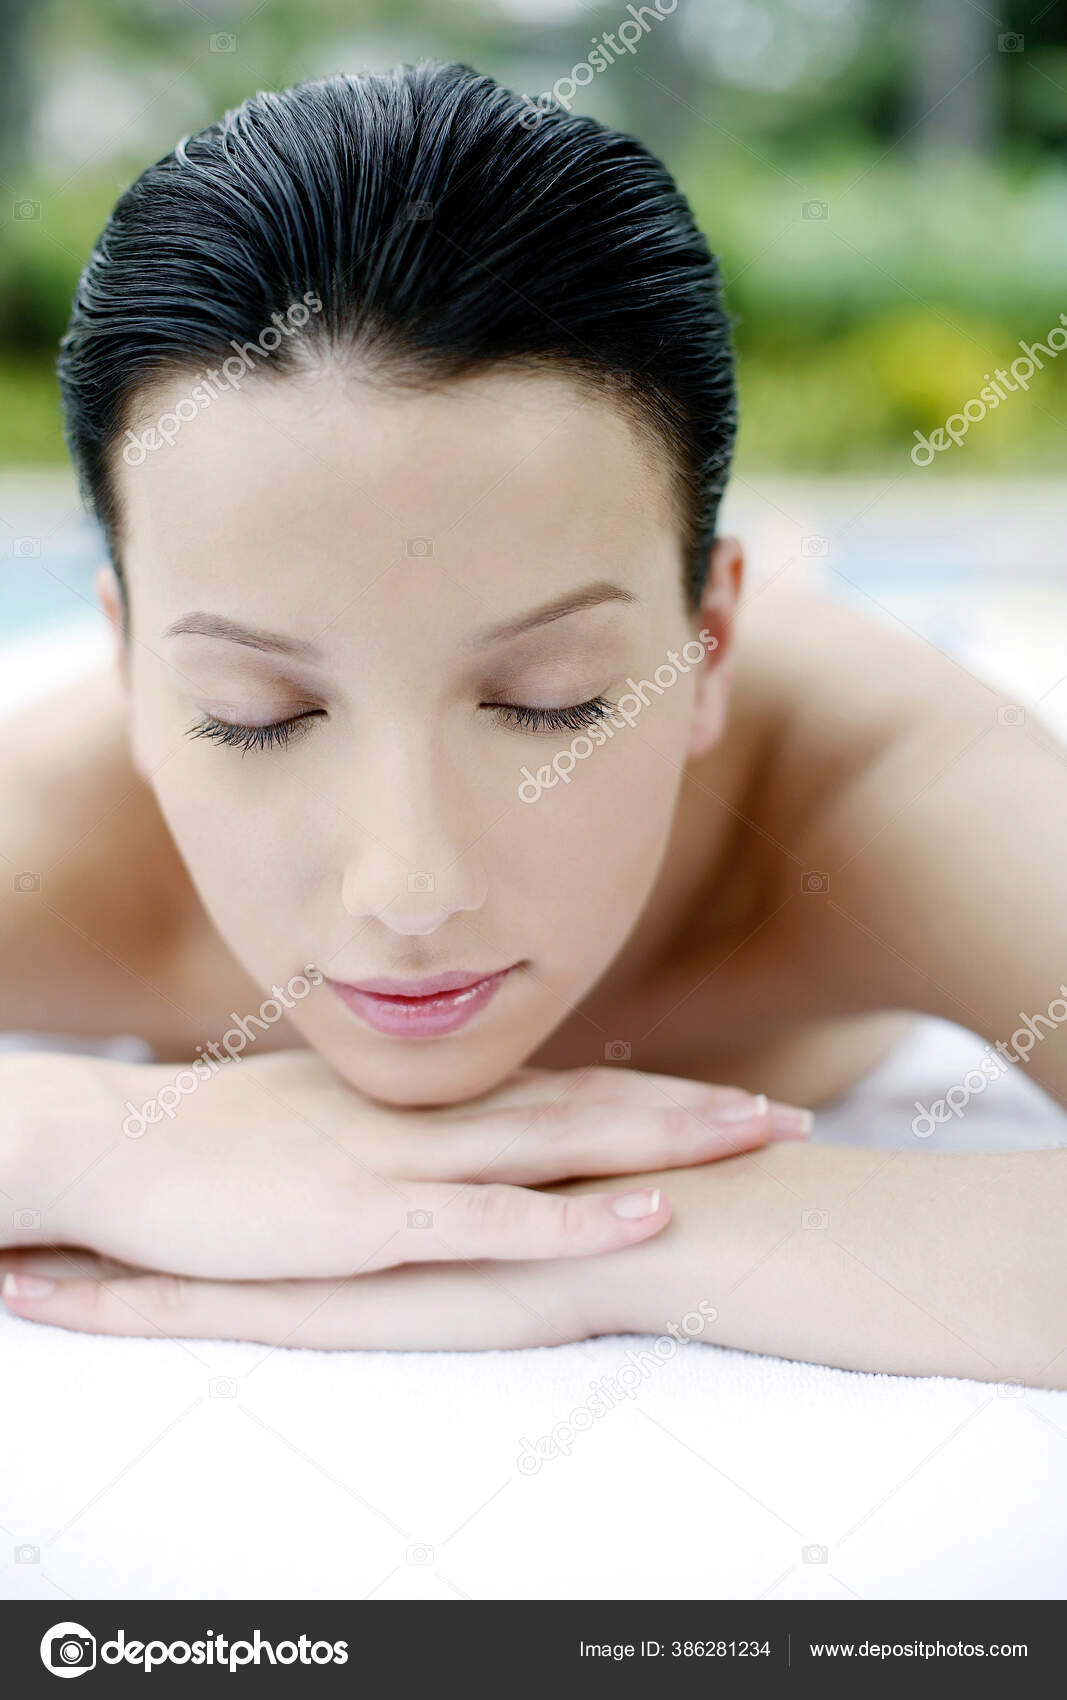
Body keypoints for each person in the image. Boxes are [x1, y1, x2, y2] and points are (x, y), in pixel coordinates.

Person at [1, 63, 1063, 1383]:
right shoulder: (54, 836)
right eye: (258, 715)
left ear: (708, 642)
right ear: (126, 666)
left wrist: (593, 1234)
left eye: (547, 703)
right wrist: (70, 1131)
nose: (411, 889)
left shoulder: (884, 792)